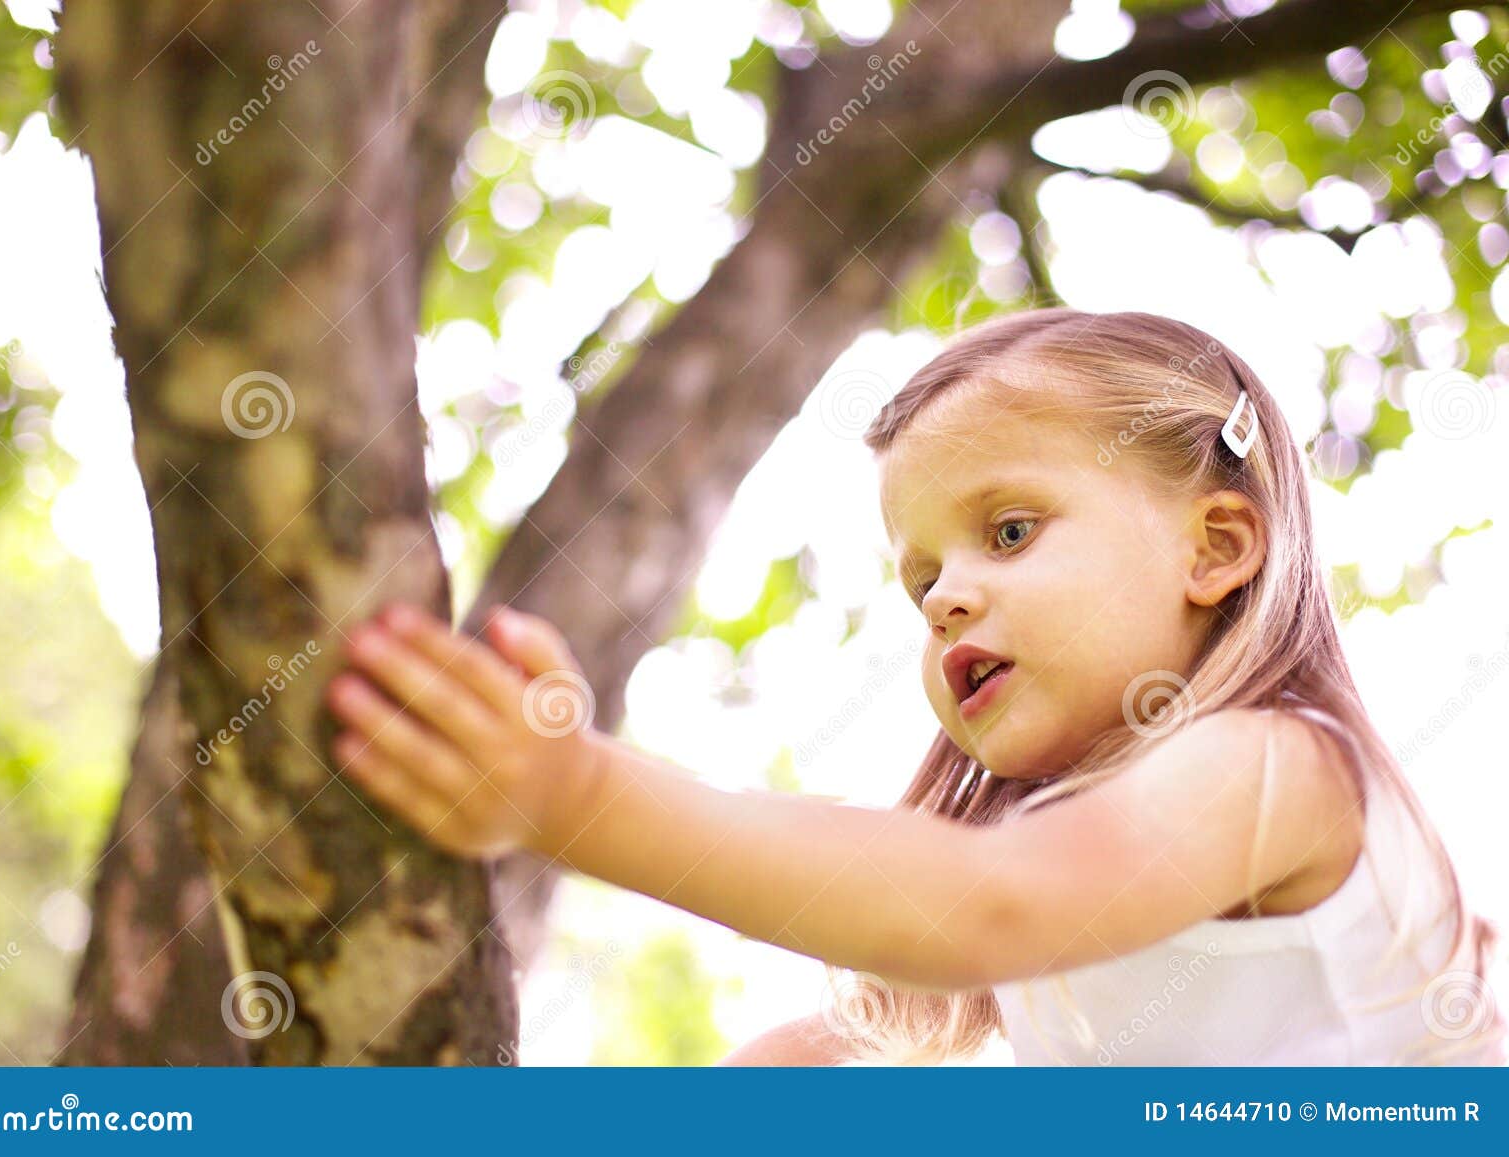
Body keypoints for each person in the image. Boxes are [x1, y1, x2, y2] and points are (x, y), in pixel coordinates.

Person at [324, 308, 1506, 1066]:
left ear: (1215, 549)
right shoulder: (1056, 856)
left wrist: (575, 797)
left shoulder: (1282, 769)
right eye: (922, 575)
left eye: (1008, 528)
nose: (943, 597)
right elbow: (870, 1009)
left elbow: (989, 903)